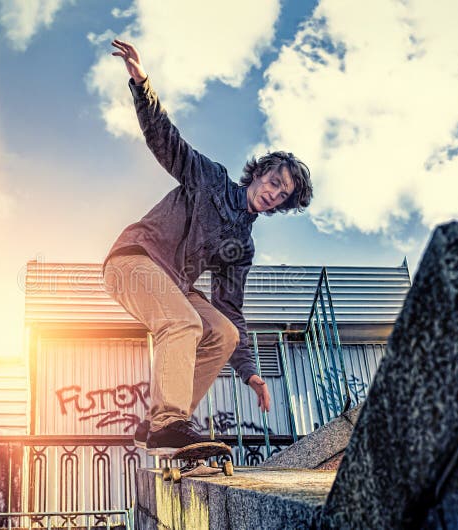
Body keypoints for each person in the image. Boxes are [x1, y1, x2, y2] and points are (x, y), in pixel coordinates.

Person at [102, 39, 313, 454]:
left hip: (175, 283)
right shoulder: (211, 179)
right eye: (273, 182)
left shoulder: (243, 245)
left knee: (222, 331)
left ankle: (158, 426)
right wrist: (142, 84)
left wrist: (249, 372)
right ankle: (170, 423)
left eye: (283, 195)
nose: (273, 194)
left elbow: (230, 306)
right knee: (183, 322)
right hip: (136, 260)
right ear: (258, 174)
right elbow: (168, 142)